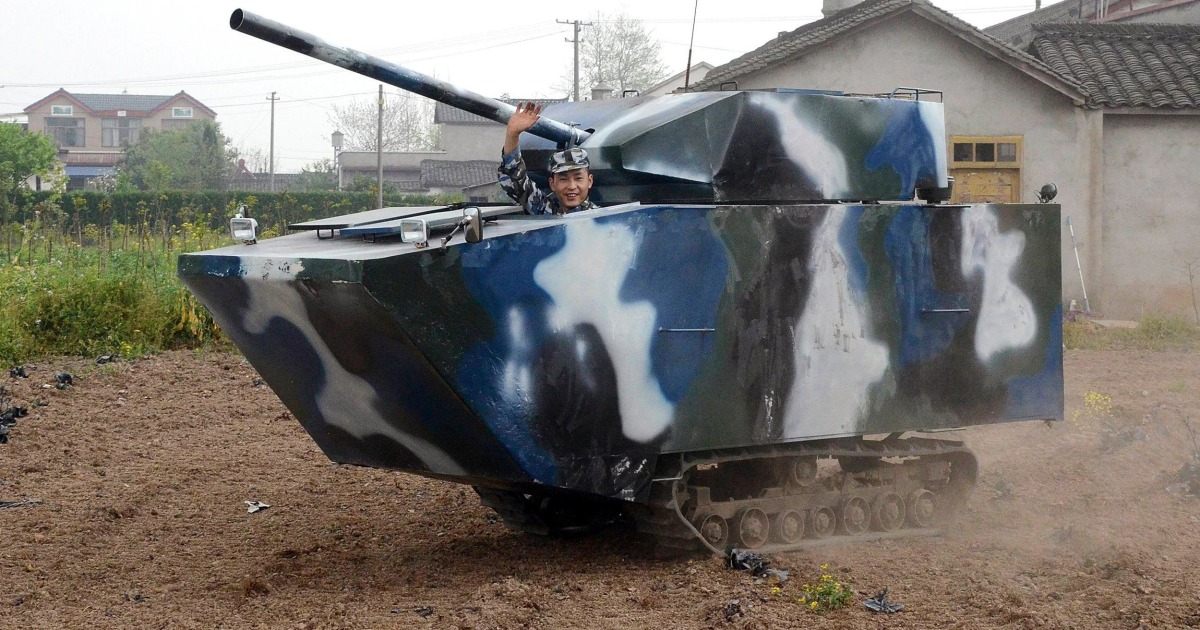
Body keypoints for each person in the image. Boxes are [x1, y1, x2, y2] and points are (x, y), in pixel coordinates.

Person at [497, 101, 595, 215]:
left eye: (578, 178)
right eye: (563, 179)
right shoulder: (546, 211)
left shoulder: (603, 220)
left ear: (589, 181)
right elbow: (515, 179)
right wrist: (512, 133)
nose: (572, 186)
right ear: (552, 183)